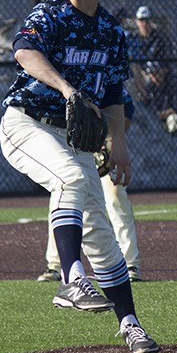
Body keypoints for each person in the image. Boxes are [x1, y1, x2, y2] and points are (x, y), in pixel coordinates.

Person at [0, 0, 159, 353]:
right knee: (68, 179)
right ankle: (71, 280)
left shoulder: (111, 32)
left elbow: (113, 96)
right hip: (27, 123)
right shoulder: (50, 14)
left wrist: (118, 142)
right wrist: (68, 89)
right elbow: (25, 52)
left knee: (101, 234)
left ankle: (131, 324)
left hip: (75, 140)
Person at [38, 91, 145, 283]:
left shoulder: (100, 76)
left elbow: (126, 105)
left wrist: (113, 141)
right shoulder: (62, 81)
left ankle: (129, 263)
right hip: (69, 147)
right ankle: (55, 265)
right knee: (62, 198)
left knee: (115, 196)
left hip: (100, 147)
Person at [127, 5, 173, 101]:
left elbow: (167, 61)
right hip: (139, 76)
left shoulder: (160, 38)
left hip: (157, 73)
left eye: (147, 20)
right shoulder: (132, 38)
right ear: (137, 21)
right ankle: (146, 98)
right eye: (141, 20)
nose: (144, 23)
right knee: (134, 69)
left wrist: (155, 72)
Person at [140, 60, 177, 136]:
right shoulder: (151, 86)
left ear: (164, 70)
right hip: (157, 119)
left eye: (157, 72)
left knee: (173, 119)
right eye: (152, 73)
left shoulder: (173, 82)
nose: (155, 76)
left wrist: (162, 114)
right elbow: (146, 105)